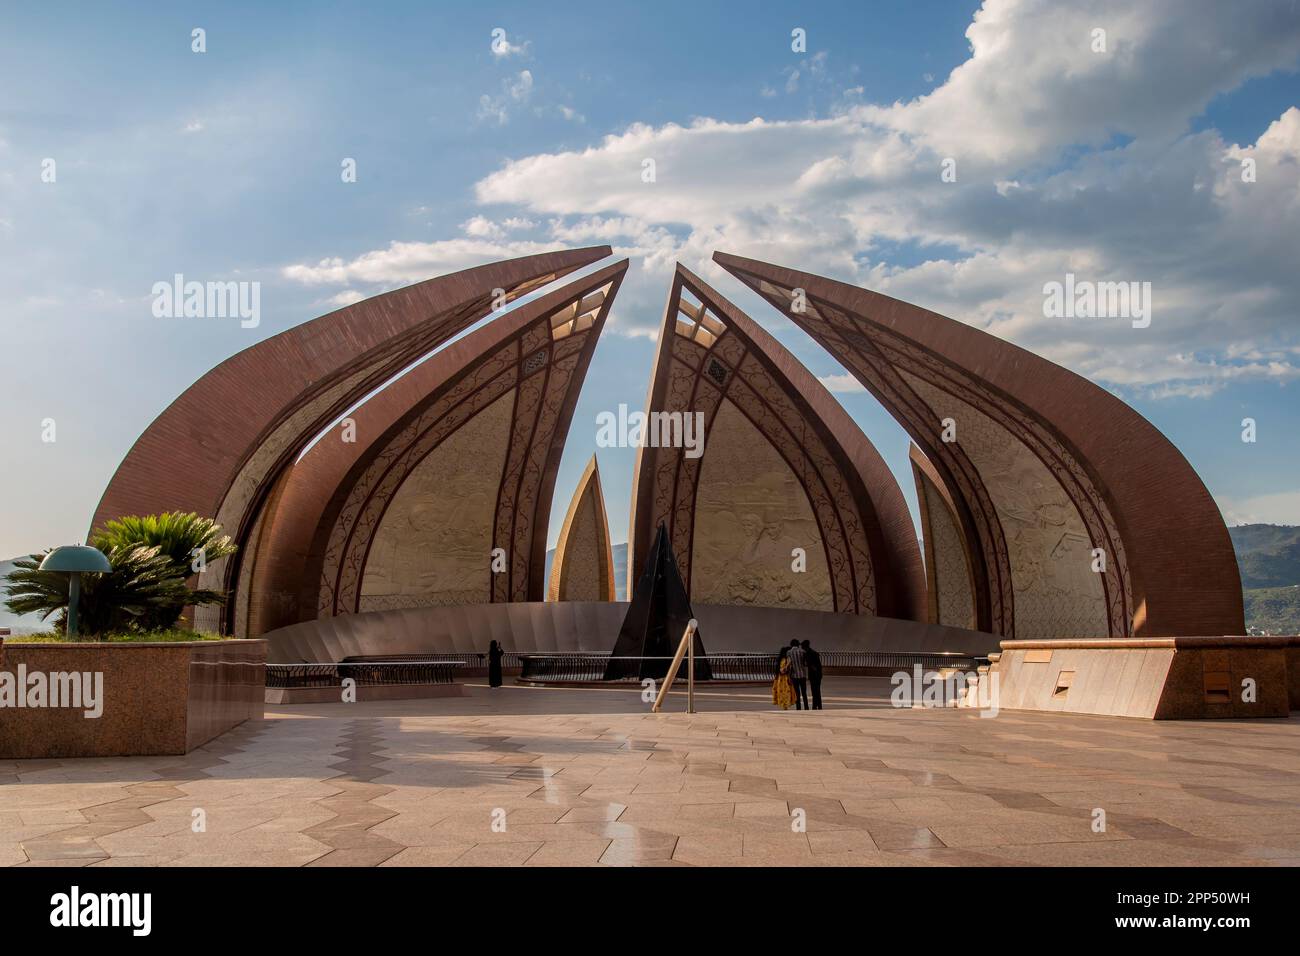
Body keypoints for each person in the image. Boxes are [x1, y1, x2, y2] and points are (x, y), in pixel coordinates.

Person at [786, 639, 809, 710]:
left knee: (797, 693)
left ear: (791, 644)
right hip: (802, 675)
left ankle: (798, 708)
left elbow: (789, 664)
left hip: (794, 676)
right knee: (804, 693)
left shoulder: (789, 652)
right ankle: (806, 707)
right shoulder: (803, 651)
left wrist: (788, 675)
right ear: (798, 644)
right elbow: (805, 663)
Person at [802, 639, 823, 710]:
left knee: (815, 691)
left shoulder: (809, 654)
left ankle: (815, 706)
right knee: (817, 691)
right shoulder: (813, 652)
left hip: (815, 675)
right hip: (818, 675)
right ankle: (818, 706)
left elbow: (812, 665)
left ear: (805, 647)